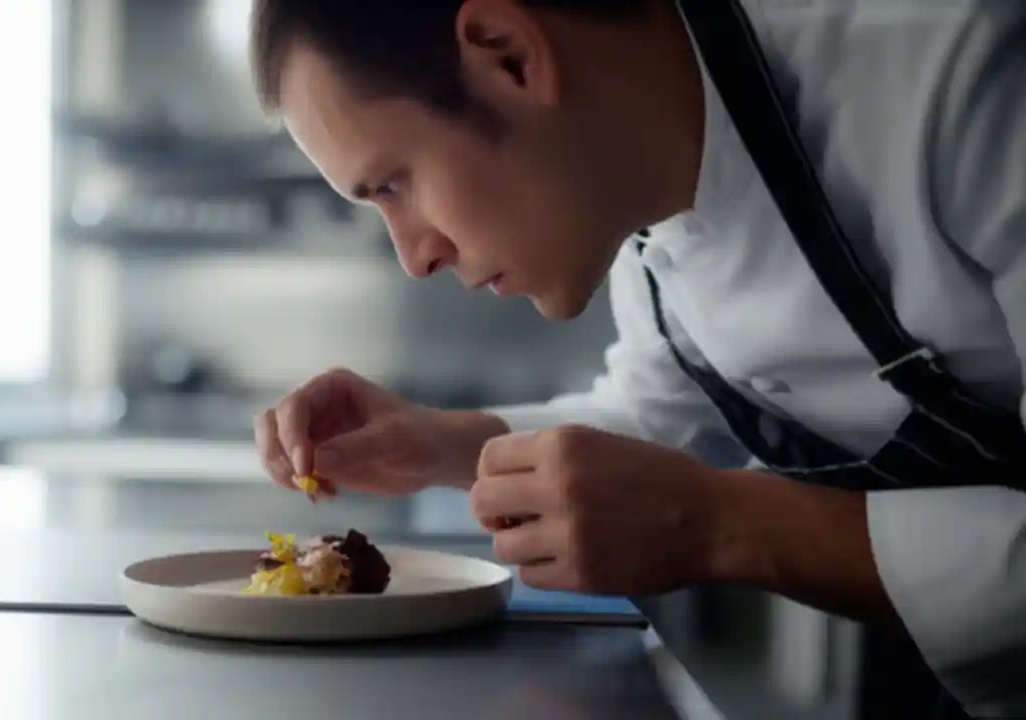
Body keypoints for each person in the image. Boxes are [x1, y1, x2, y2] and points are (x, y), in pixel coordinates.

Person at [246, 1, 1026, 717]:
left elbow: (691, 491)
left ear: (508, 55)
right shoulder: (632, 181)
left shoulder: (968, 77)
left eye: (393, 184)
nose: (413, 258)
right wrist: (439, 446)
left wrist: (722, 526)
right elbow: (663, 420)